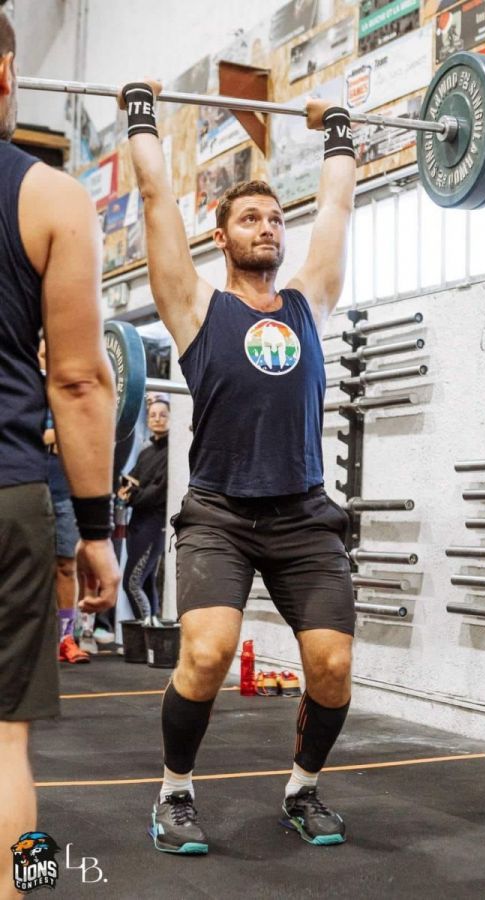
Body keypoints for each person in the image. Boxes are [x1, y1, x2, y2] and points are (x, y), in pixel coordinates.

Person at [119, 78, 356, 853]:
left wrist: (340, 133)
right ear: (221, 237)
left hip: (303, 513)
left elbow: (339, 211)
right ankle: (174, 794)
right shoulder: (195, 309)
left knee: (332, 666)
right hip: (221, 512)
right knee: (210, 652)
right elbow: (157, 202)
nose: (266, 227)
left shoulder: (307, 303)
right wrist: (142, 114)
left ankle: (303, 789)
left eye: (273, 218)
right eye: (248, 217)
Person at [0, 14, 121, 897]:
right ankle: (29, 888)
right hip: (6, 500)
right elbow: (78, 381)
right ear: (8, 76)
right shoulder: (50, 197)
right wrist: (96, 529)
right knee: (7, 743)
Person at [38, 339, 90, 665]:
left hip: (64, 491)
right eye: (44, 354)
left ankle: (65, 638)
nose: (48, 359)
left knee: (66, 566)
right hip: (27, 487)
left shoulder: (69, 392)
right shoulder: (22, 389)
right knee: (23, 568)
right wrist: (49, 434)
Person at [118, 399, 170, 623]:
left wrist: (134, 495)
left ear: (170, 418)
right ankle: (152, 642)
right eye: (152, 415)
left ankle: (147, 633)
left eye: (162, 414)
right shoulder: (146, 453)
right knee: (146, 583)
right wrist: (129, 492)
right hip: (136, 526)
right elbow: (130, 481)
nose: (157, 418)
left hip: (154, 526)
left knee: (131, 583)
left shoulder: (173, 453)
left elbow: (159, 491)